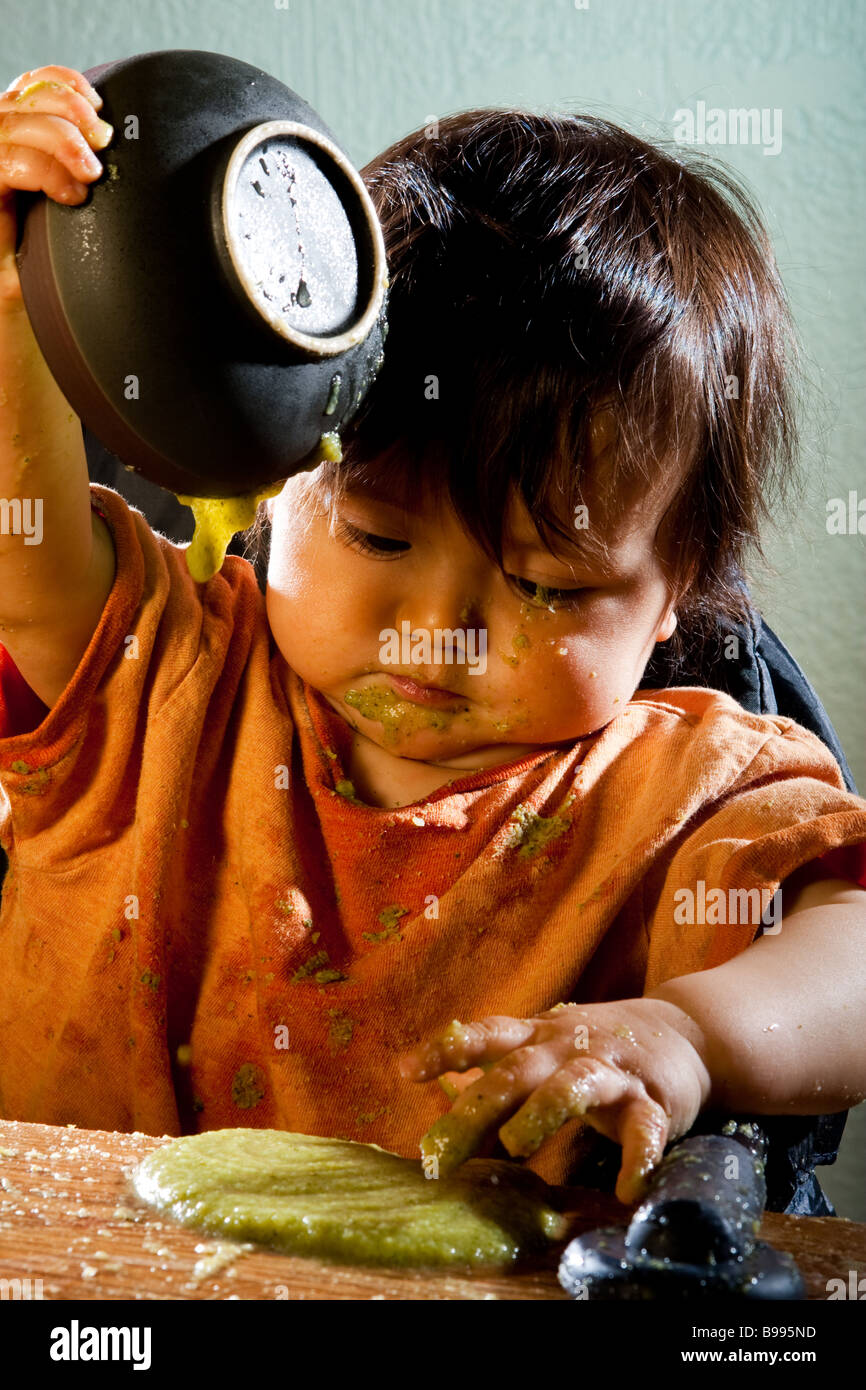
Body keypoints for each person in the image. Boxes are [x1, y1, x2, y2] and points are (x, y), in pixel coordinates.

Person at [0, 66, 864, 1210]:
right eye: (377, 536)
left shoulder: (683, 795)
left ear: (674, 599)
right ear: (279, 488)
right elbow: (25, 562)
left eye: (544, 586)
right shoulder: (159, 683)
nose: (437, 634)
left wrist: (686, 1035)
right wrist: (19, 304)